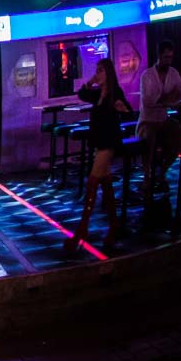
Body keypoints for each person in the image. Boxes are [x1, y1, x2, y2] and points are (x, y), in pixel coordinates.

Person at [67, 57, 130, 255]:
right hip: (99, 141)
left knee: (93, 181)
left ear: (109, 73)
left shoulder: (114, 93)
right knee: (105, 182)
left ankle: (82, 229)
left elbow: (128, 111)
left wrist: (122, 108)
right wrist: (91, 80)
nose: (98, 73)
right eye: (97, 70)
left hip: (109, 142)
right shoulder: (97, 94)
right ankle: (114, 225)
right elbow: (82, 93)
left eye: (101, 70)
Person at [139, 41, 181, 192]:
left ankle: (161, 171)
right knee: (149, 138)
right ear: (159, 56)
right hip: (148, 120)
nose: (168, 61)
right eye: (166, 57)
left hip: (163, 119)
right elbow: (148, 101)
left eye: (171, 57)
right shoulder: (147, 75)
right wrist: (169, 96)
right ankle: (148, 174)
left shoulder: (173, 73)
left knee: (177, 134)